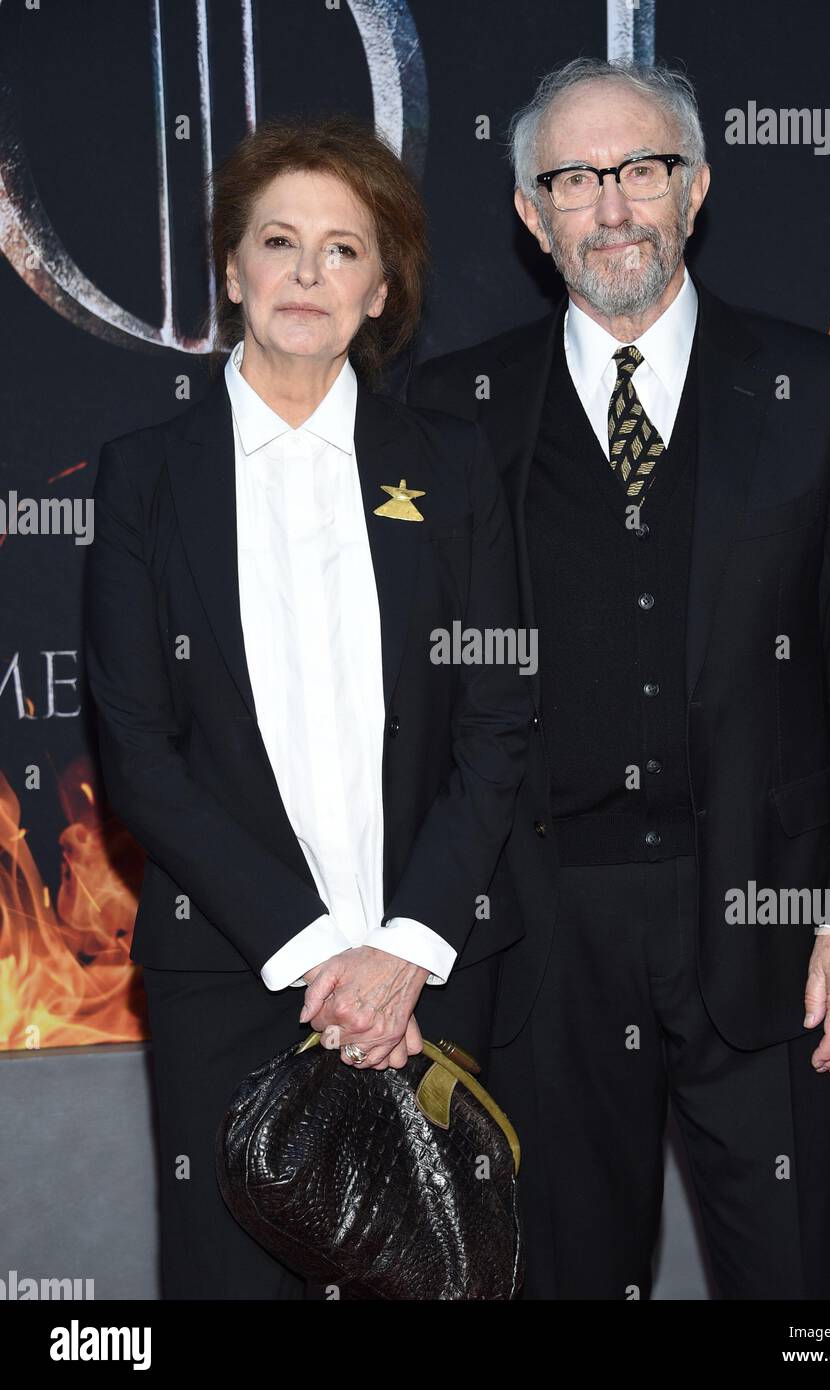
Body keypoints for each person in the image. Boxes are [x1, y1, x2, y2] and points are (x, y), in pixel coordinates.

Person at [407, 58, 830, 1300]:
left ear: (694, 190)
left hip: (771, 932)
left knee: (808, 1295)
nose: (613, 207)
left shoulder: (813, 391)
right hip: (539, 943)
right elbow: (420, 708)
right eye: (576, 180)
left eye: (641, 170)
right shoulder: (451, 411)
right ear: (532, 218)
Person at [84, 114, 531, 1300]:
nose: (307, 274)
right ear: (230, 269)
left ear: (381, 290)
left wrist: (404, 948)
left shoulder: (453, 465)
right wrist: (320, 953)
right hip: (230, 971)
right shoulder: (143, 478)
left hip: (436, 971)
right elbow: (138, 750)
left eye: (344, 250)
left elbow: (498, 718)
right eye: (279, 241)